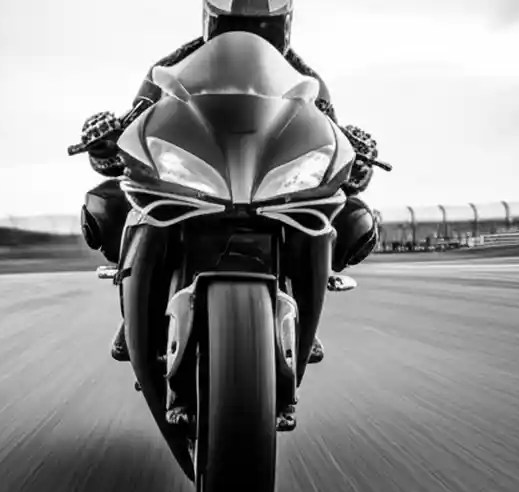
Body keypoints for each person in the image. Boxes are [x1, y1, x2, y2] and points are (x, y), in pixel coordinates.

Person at [78, 0, 382, 363]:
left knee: (349, 214)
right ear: (213, 20)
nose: (249, 33)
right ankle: (136, 309)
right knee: (113, 200)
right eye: (234, 24)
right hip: (198, 175)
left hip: (270, 182)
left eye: (261, 27)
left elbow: (333, 149)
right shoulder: (172, 67)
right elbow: (134, 131)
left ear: (282, 23)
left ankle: (304, 317)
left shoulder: (306, 81)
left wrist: (357, 156)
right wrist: (105, 138)